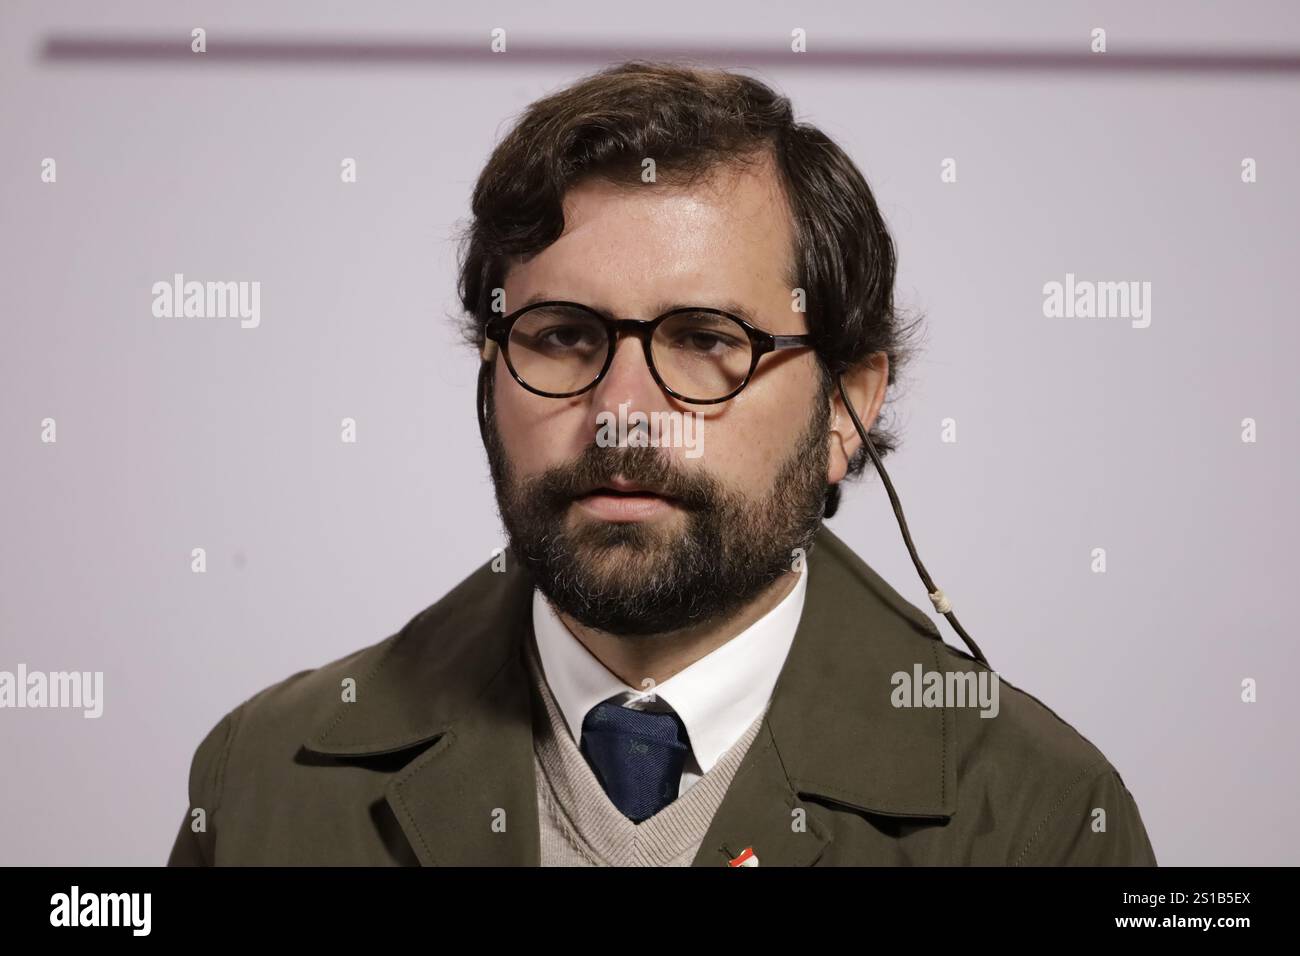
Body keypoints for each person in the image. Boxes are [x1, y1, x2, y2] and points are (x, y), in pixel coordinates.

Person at [167, 60, 1156, 867]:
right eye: (560, 336)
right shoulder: (267, 781)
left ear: (846, 406)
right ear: (490, 372)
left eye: (704, 339)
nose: (623, 416)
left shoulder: (1038, 819)